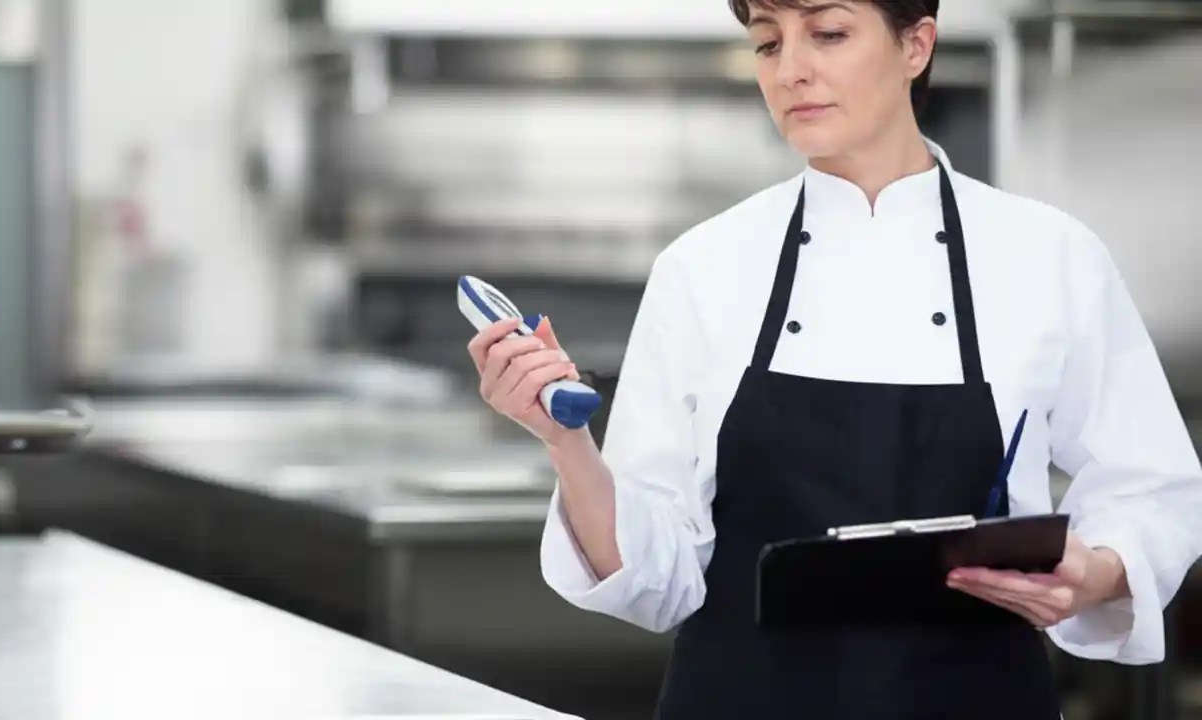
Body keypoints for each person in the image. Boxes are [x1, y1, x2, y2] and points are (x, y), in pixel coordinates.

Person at [465, 1, 1202, 717]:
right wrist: (567, 442)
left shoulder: (1048, 256)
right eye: (767, 42)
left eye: (828, 32)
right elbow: (657, 578)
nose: (791, 70)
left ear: (916, 46)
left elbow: (1152, 488)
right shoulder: (704, 266)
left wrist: (1095, 574)